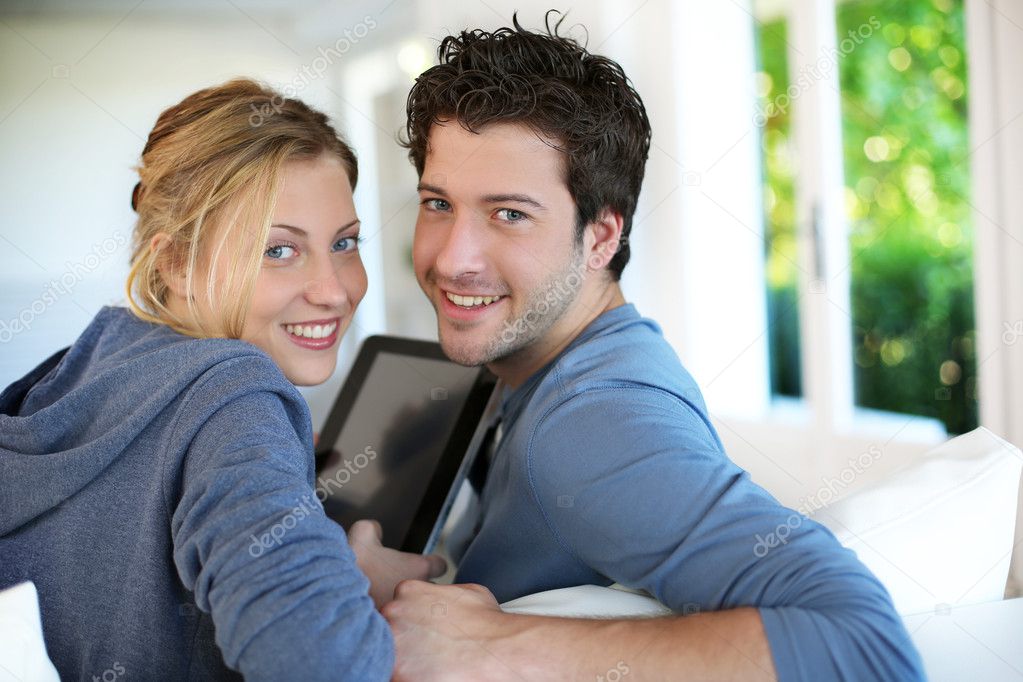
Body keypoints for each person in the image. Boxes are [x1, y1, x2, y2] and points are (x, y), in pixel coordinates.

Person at [376, 13, 926, 681]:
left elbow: (867, 649)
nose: (453, 258)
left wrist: (493, 645)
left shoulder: (593, 426)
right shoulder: (546, 364)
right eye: (438, 204)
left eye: (509, 214)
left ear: (601, 237)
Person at [0, 78, 443, 680]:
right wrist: (351, 578)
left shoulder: (78, 362)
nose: (335, 289)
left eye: (344, 243)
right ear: (174, 263)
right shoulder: (234, 391)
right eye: (278, 251)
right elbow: (319, 658)